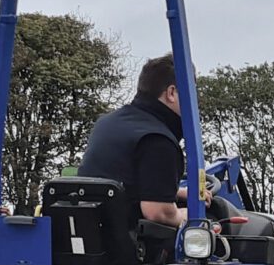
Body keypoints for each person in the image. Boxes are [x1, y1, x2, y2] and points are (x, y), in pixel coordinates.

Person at [76, 53, 189, 253]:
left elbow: (117, 180)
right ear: (171, 93)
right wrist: (189, 214)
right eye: (191, 94)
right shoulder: (158, 139)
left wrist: (179, 193)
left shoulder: (106, 123)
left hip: (91, 237)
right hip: (130, 250)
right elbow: (157, 212)